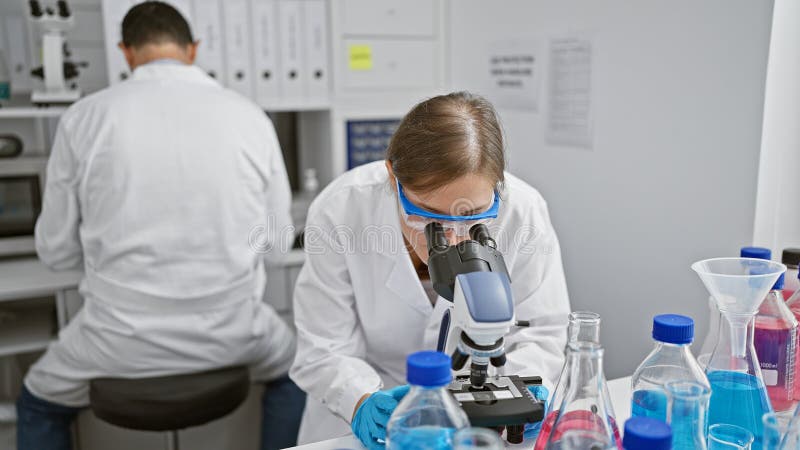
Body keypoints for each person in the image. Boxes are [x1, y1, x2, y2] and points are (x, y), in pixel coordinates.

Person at [16, 3, 304, 449]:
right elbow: (278, 247)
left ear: (126, 52)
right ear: (193, 50)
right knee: (298, 374)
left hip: (117, 344)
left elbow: (55, 254)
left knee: (36, 400)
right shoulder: (250, 116)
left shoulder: (84, 118)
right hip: (233, 335)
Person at [290, 92, 571, 447]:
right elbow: (323, 346)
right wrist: (360, 400)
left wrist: (525, 389)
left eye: (471, 217)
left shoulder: (522, 212)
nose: (452, 239)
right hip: (369, 413)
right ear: (392, 177)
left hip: (481, 421)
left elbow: (542, 331)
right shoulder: (342, 209)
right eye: (426, 217)